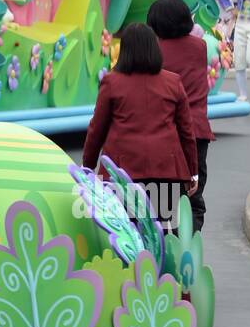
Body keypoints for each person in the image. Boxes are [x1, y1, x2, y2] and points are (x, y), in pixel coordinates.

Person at [82, 21, 198, 231]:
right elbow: (186, 131)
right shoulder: (173, 82)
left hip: (122, 173)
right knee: (164, 236)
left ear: (124, 50)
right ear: (155, 48)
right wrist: (192, 171)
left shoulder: (112, 82)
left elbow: (96, 129)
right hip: (166, 170)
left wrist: (88, 167)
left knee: (126, 233)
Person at [146, 0, 214, 232]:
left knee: (166, 197)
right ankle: (189, 246)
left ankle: (168, 249)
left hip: (166, 134)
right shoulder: (200, 47)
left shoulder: (155, 52)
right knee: (193, 195)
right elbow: (196, 31)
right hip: (197, 131)